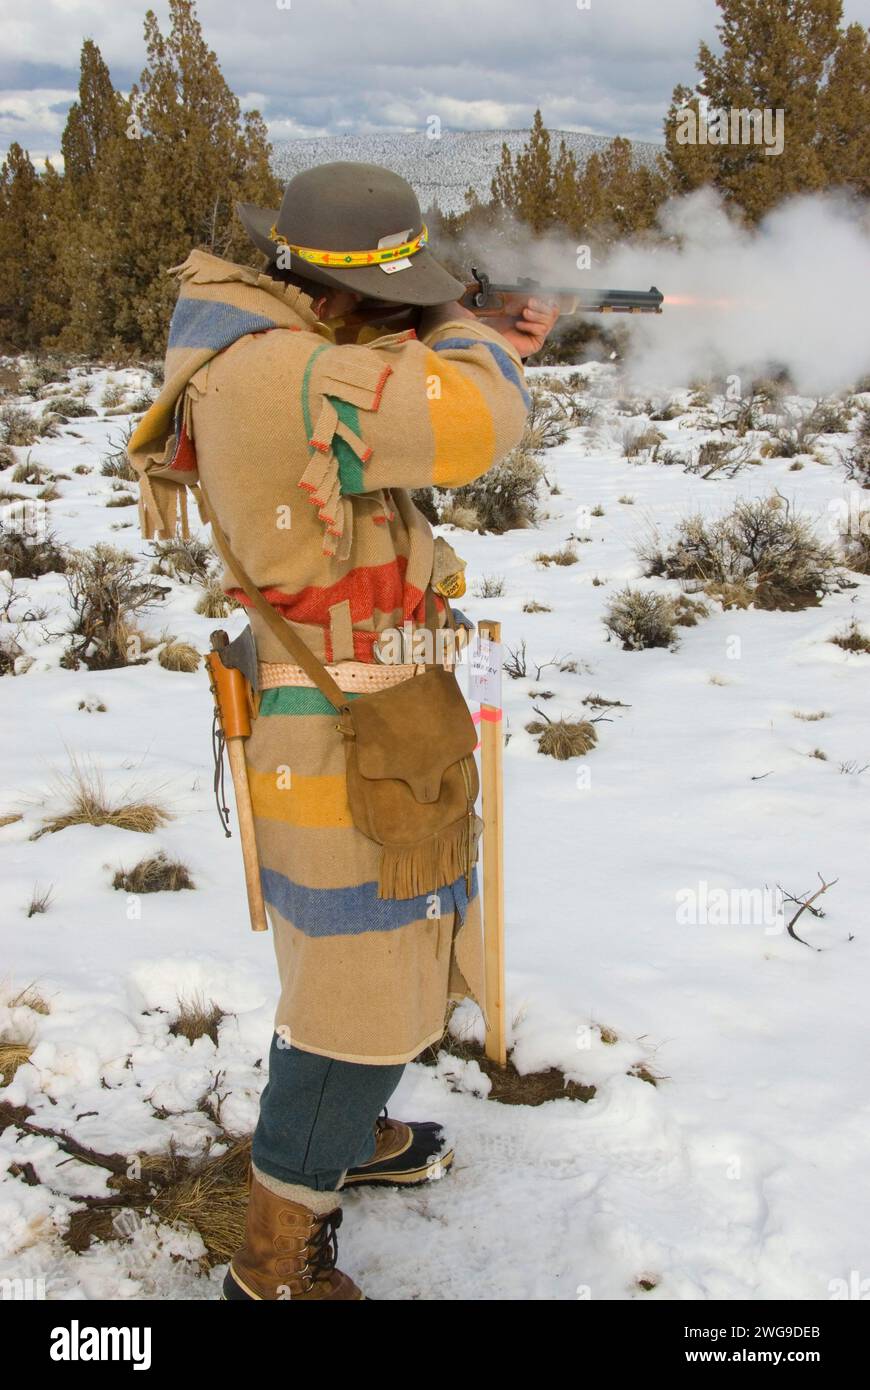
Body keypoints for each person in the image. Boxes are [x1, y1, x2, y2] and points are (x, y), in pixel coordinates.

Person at [129, 162, 558, 1300]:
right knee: (353, 989)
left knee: (363, 966)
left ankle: (324, 1137)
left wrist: (458, 330)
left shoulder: (290, 346)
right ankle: (277, 1252)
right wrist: (470, 334)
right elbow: (471, 425)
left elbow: (408, 408)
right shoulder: (279, 372)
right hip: (335, 725)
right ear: (337, 292)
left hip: (364, 710)